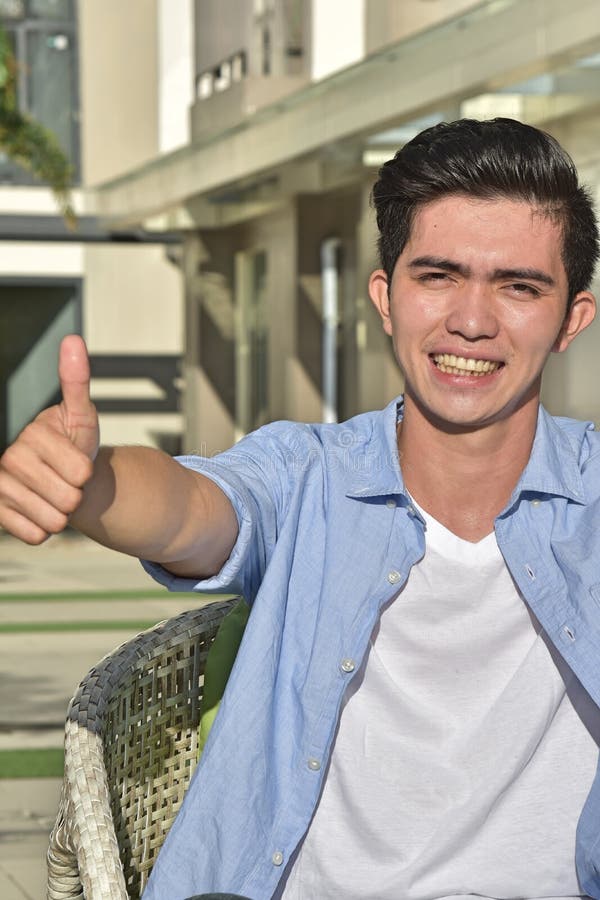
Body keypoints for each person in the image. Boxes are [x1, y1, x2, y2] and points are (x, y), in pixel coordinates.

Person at [1, 117, 599, 900]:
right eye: (438, 276)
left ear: (571, 320)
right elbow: (190, 510)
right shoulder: (311, 477)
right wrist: (90, 482)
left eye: (519, 286)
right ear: (385, 298)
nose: (473, 320)